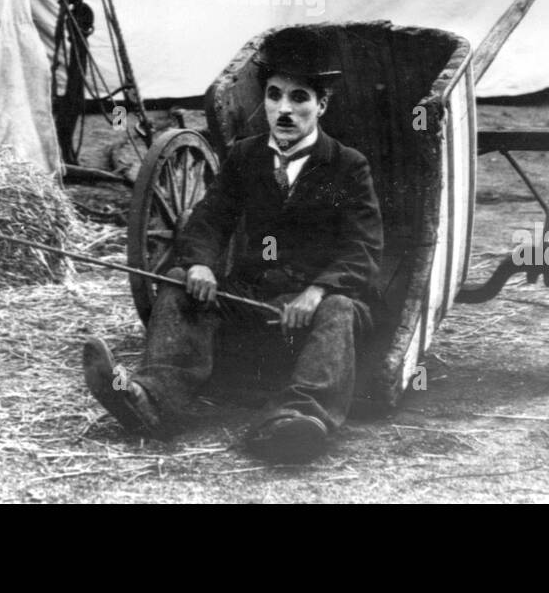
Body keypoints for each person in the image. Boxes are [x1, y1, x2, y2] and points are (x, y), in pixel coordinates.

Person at [82, 27, 383, 463]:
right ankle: (152, 401)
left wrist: (316, 292)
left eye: (299, 98)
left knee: (337, 308)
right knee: (179, 279)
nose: (283, 109)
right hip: (255, 295)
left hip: (324, 305)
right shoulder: (245, 156)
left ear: (322, 104)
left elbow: (364, 248)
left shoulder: (348, 166)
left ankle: (297, 420)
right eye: (274, 94)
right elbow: (210, 216)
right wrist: (200, 263)